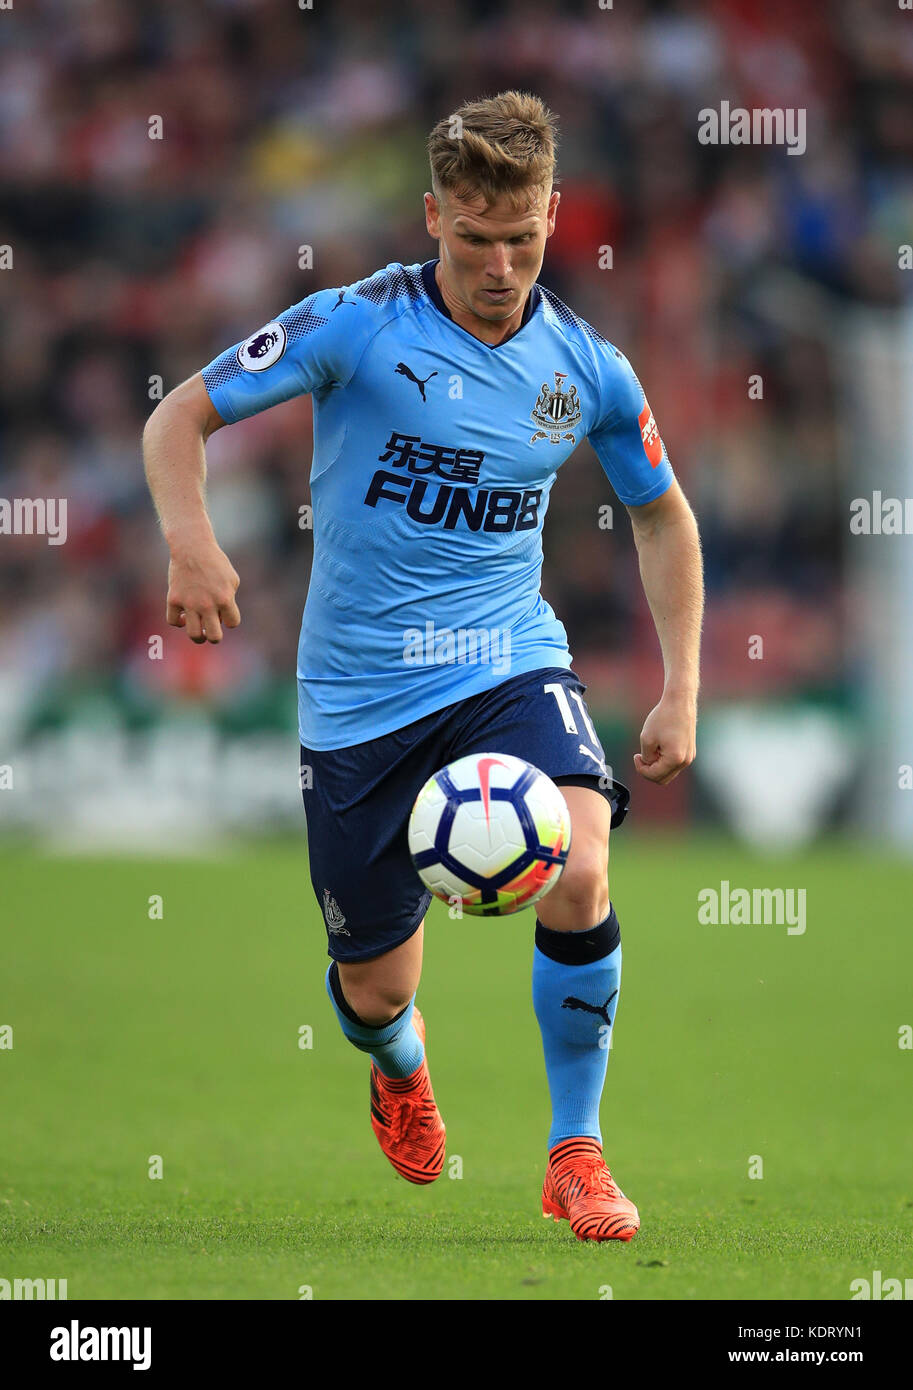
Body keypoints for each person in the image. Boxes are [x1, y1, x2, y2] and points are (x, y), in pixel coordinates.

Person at [143, 90, 703, 1242]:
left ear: (552, 213)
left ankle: (576, 1151)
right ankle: (397, 1062)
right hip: (358, 699)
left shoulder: (587, 367)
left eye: (523, 238)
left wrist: (682, 680)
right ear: (431, 216)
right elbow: (178, 420)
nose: (500, 265)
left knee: (582, 868)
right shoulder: (355, 324)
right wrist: (192, 543)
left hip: (507, 659)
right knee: (373, 991)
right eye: (473, 238)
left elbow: (662, 515)